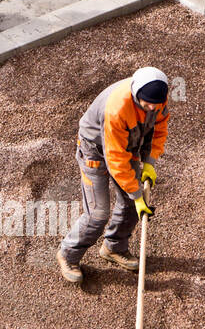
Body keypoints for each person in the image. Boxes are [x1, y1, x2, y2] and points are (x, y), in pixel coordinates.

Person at [56, 67, 170, 284]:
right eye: (148, 104)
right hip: (95, 150)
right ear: (136, 94)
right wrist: (136, 193)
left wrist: (149, 162)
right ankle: (68, 254)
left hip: (127, 145)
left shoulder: (158, 99)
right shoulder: (117, 108)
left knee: (131, 205)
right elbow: (115, 159)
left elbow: (159, 130)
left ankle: (113, 247)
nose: (153, 108)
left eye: (157, 104)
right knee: (97, 213)